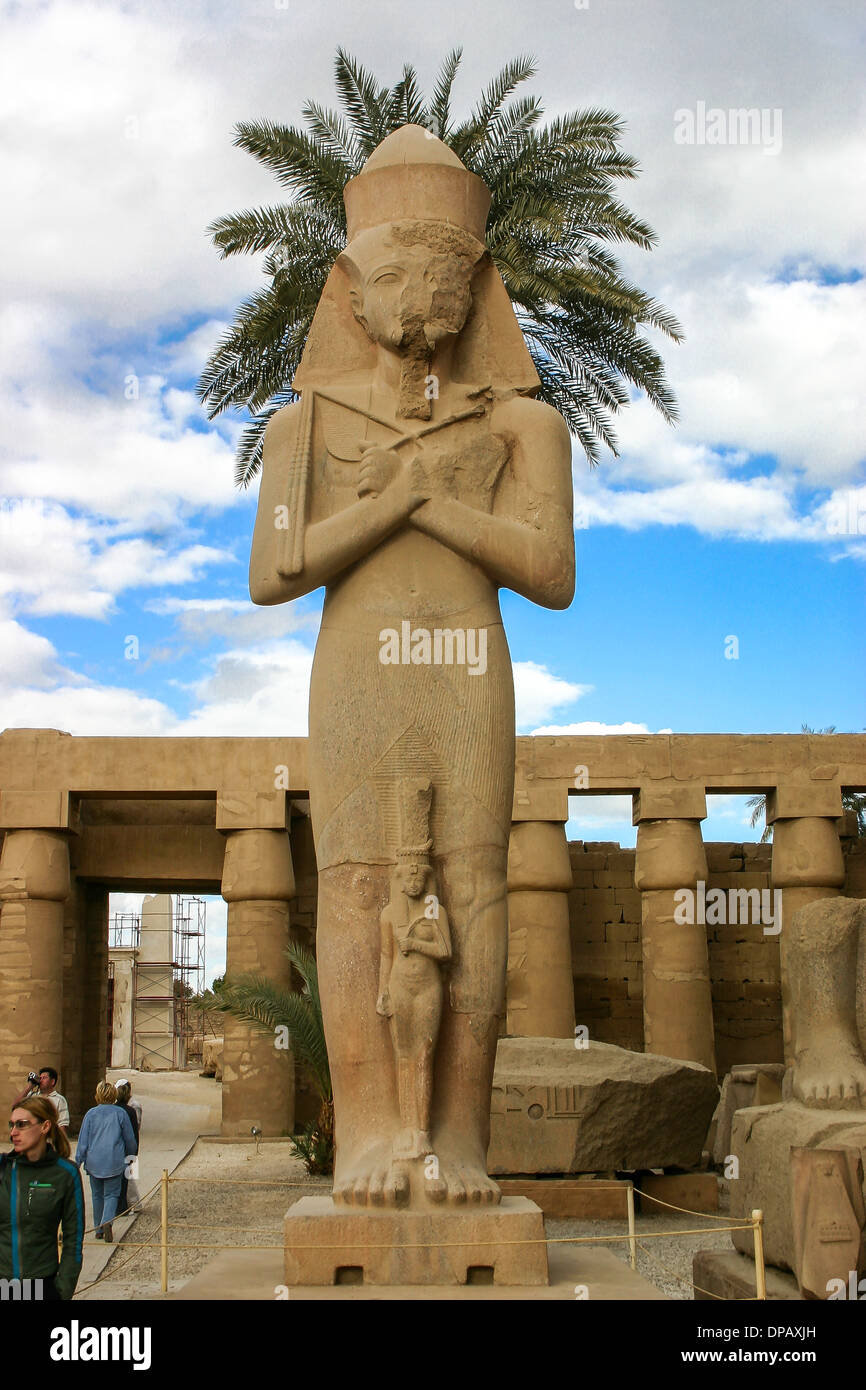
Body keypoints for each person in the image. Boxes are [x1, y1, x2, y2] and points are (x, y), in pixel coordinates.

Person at [0, 1096, 85, 1300]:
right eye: (12, 1125)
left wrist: (62, 1291)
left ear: (45, 1126)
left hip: (41, 1285)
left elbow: (73, 1239)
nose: (13, 1133)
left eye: (22, 1125)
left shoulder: (65, 1173)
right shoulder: (3, 1170)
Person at [75, 1081, 137, 1242]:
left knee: (97, 1195)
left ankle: (99, 1228)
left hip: (94, 1160)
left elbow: (83, 1141)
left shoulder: (91, 1114)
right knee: (111, 1194)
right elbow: (129, 1139)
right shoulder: (120, 1114)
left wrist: (78, 1160)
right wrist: (131, 1155)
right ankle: (107, 1220)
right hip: (114, 1160)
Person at [13, 1066, 69, 1130]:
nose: (41, 1080)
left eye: (44, 1078)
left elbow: (62, 1124)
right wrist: (30, 1086)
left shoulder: (59, 1099)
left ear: (52, 1082)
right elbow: (15, 1105)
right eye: (40, 1078)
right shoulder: (32, 1095)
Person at [114, 1080, 140, 1215]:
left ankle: (130, 1204)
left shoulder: (129, 1108)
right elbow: (134, 1132)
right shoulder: (130, 1110)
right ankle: (130, 1204)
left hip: (117, 1150)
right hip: (127, 1150)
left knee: (127, 1178)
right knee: (128, 1179)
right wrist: (134, 1152)